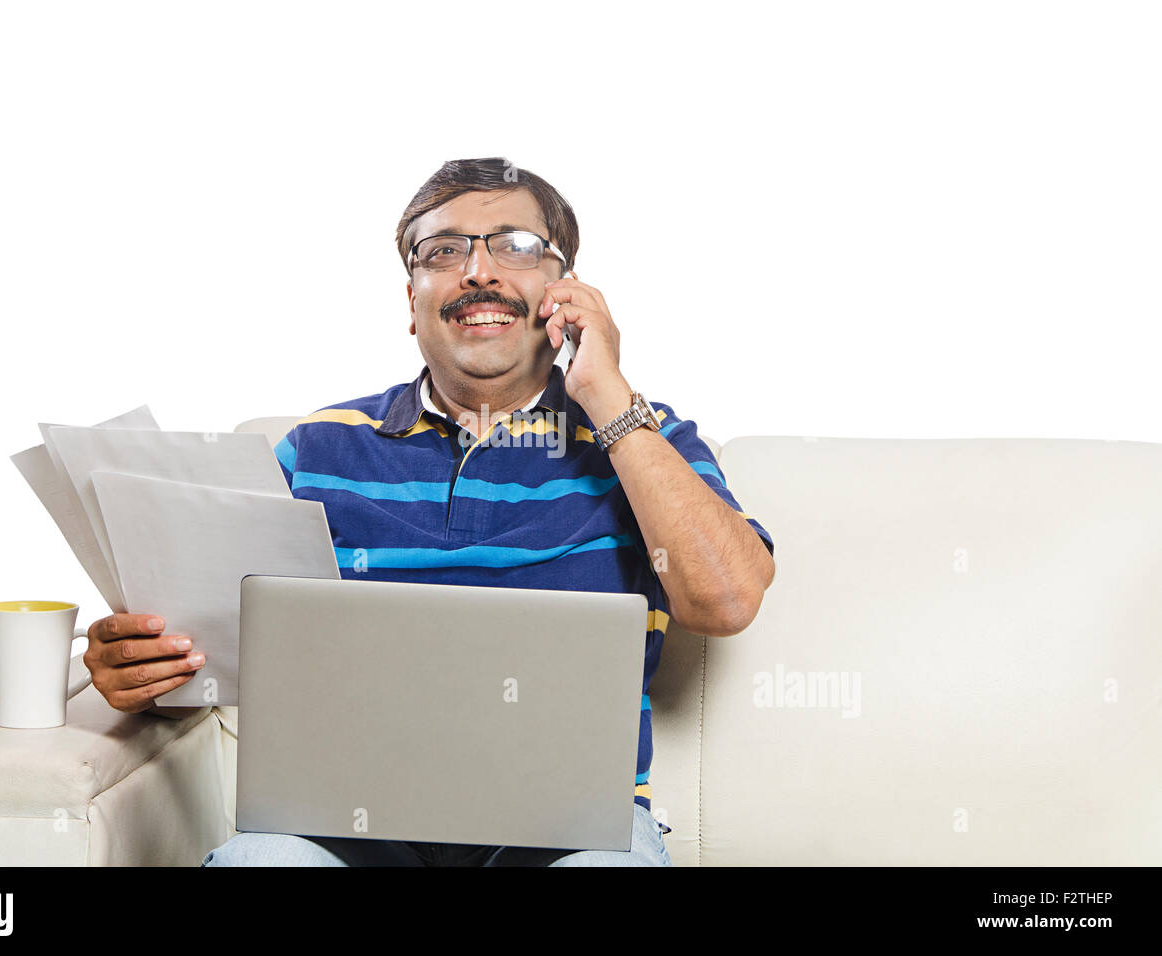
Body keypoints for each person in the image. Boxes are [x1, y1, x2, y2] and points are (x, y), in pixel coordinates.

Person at [83, 158, 776, 866]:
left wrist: (606, 396)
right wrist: (137, 669)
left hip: (573, 831)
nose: (478, 271)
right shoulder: (318, 449)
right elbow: (213, 645)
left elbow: (725, 600)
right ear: (410, 301)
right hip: (340, 822)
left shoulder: (643, 435)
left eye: (516, 246)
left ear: (566, 291)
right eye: (443, 252)